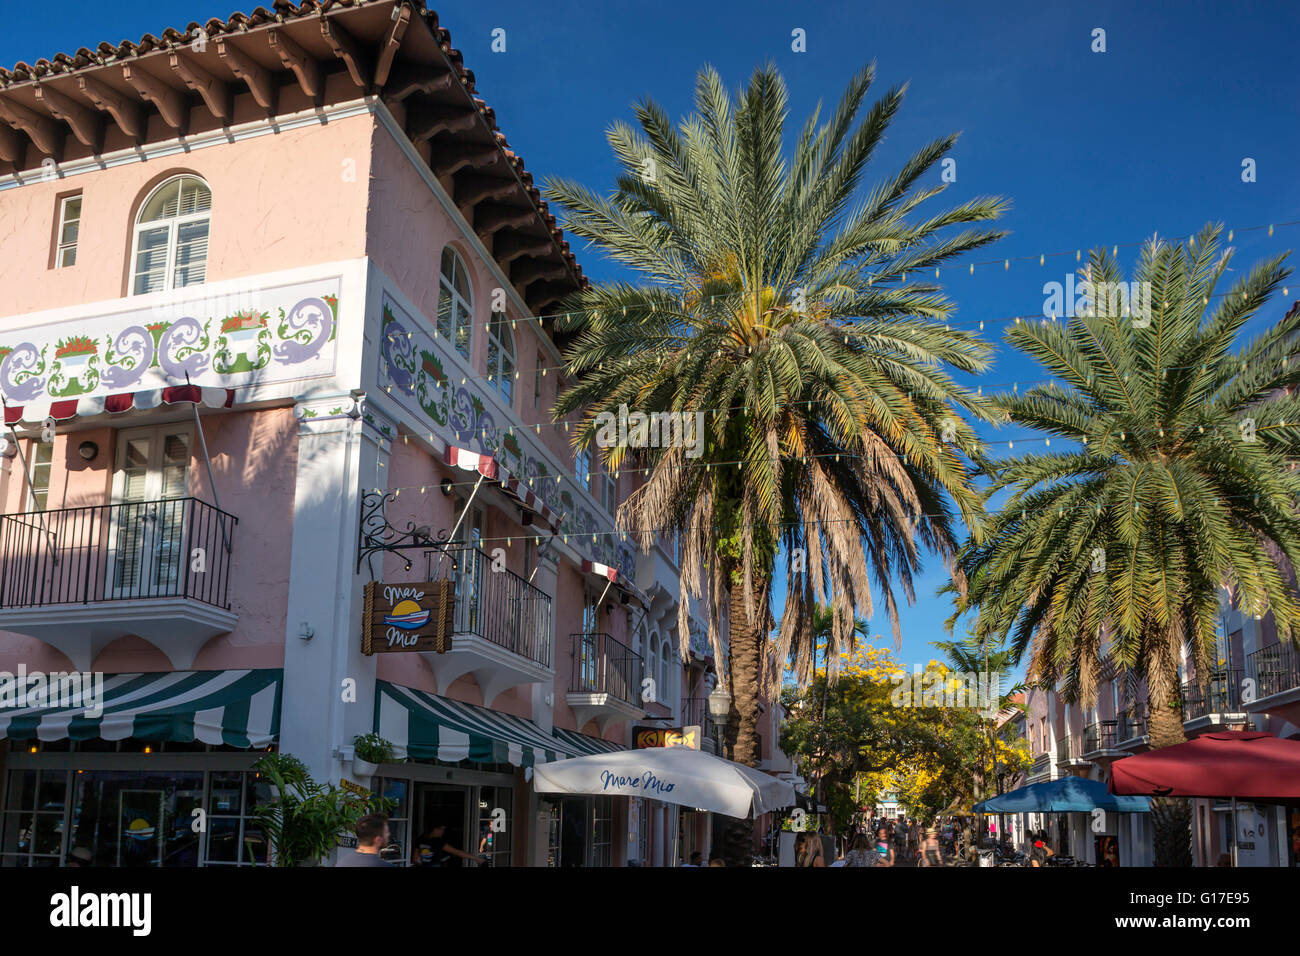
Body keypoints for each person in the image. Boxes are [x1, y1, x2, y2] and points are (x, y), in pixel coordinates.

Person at [413, 821, 489, 867]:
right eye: (442, 829)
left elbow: (415, 859)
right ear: (435, 829)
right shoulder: (437, 841)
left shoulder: (421, 839)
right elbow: (457, 852)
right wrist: (476, 858)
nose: (443, 832)